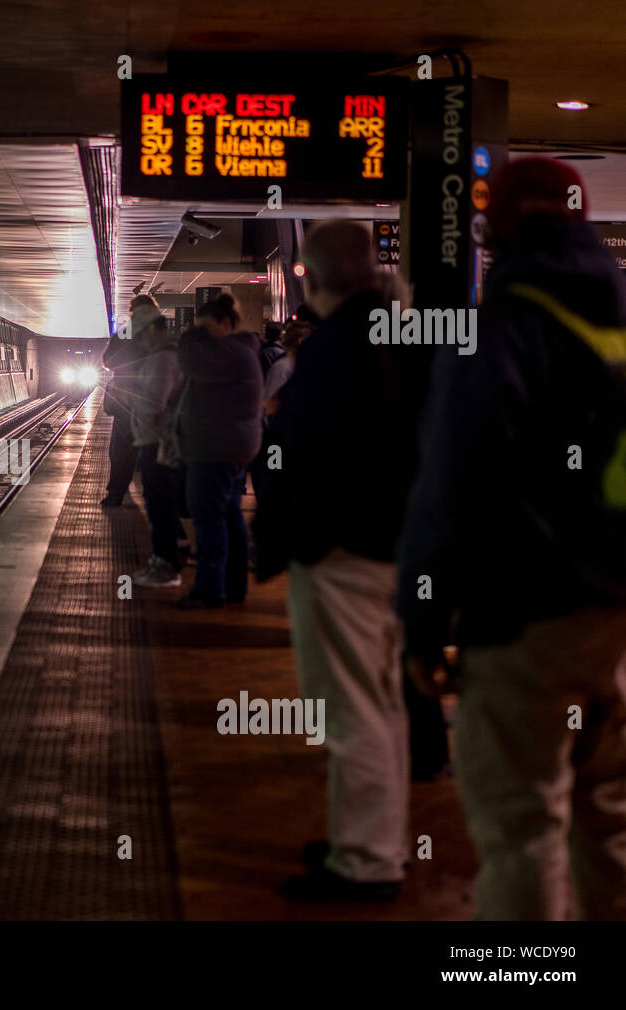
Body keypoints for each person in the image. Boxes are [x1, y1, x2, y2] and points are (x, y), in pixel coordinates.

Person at [397, 157, 626, 920]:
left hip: (530, 613)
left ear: (502, 226)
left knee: (525, 825)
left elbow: (451, 486)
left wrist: (424, 622)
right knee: (614, 821)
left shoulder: (495, 331)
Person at [255, 221, 427, 902]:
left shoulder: (334, 349)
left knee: (351, 710)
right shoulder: (407, 341)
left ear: (312, 278)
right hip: (398, 550)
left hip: (343, 553)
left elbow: (311, 458)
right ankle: (377, 840)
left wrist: (294, 538)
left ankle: (365, 862)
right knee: (382, 704)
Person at [174, 294, 263, 608]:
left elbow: (190, 361)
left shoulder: (233, 352)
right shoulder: (234, 352)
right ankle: (232, 586)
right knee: (227, 516)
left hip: (216, 449)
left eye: (205, 330)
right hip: (224, 446)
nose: (201, 338)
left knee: (207, 518)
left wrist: (189, 336)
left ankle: (210, 590)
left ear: (226, 324)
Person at [126, 305, 184, 588]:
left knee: (160, 502)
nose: (140, 341)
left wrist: (133, 400)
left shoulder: (163, 360)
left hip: (158, 442)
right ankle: (165, 559)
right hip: (159, 440)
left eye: (140, 335)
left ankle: (166, 564)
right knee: (161, 501)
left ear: (152, 329)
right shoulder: (169, 356)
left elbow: (155, 403)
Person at [100, 296, 153, 507]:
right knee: (152, 450)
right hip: (152, 397)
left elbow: (108, 362)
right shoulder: (158, 334)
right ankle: (152, 495)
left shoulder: (125, 333)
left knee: (121, 449)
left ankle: (115, 494)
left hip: (124, 398)